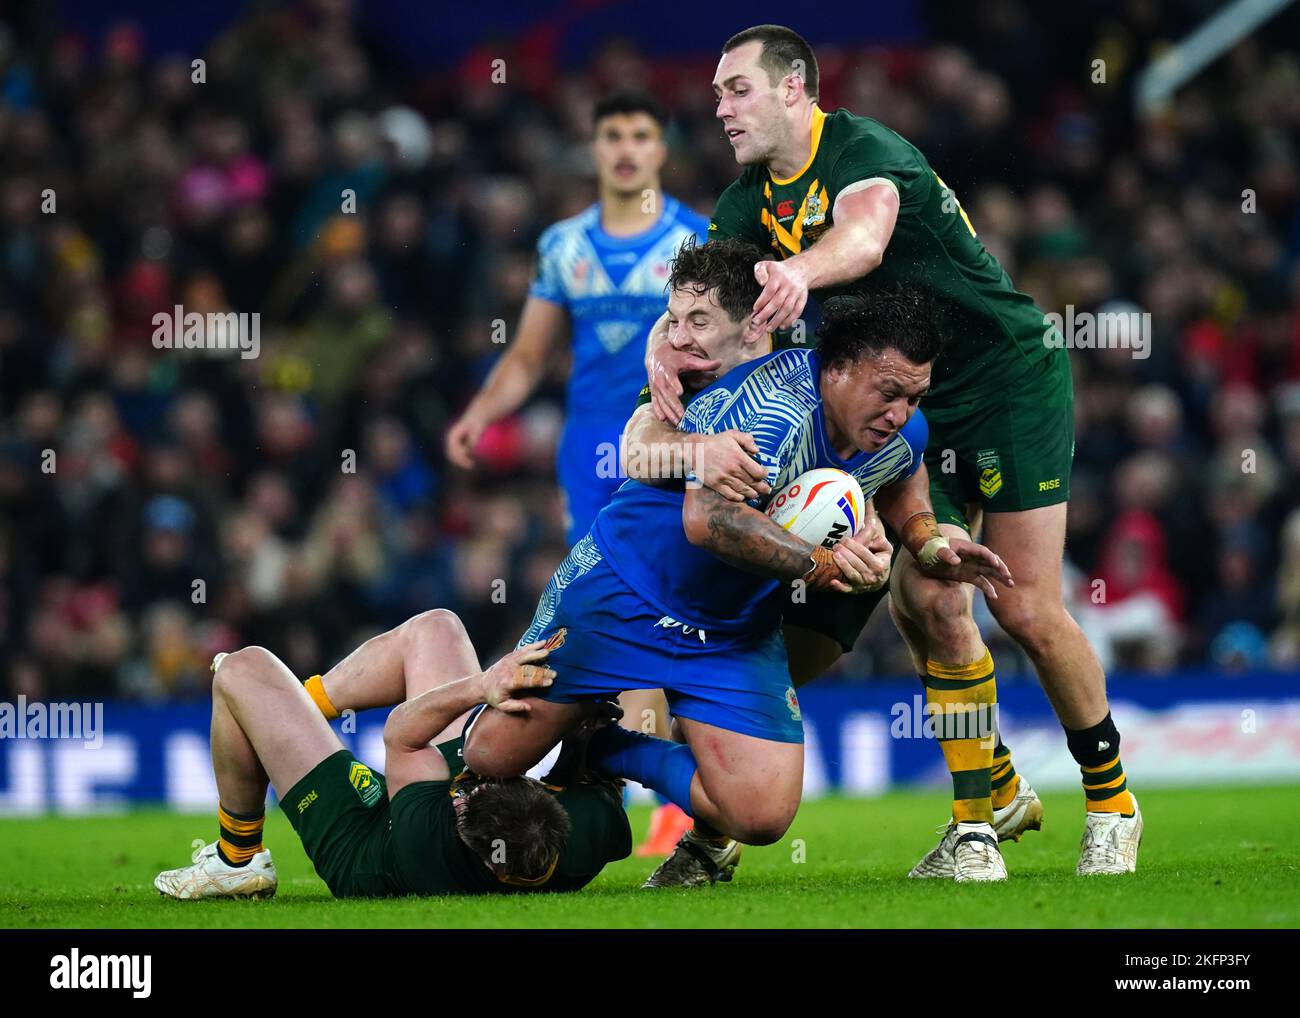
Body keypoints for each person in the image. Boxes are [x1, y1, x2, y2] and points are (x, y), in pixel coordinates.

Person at [645, 25, 1140, 876]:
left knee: (1021, 605)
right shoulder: (743, 202)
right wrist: (663, 340)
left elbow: (866, 236)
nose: (720, 108)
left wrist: (800, 272)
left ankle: (1112, 802)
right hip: (892, 405)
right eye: (718, 93)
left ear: (795, 87)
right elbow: (698, 299)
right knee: (931, 595)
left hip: (1001, 377)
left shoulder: (865, 151)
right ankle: (985, 814)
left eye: (738, 90)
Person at [463, 238, 1011, 884]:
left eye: (914, 398)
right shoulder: (766, 411)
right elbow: (708, 520)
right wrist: (824, 565)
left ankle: (603, 747)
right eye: (889, 393)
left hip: (730, 629)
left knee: (762, 815)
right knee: (491, 758)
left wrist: (923, 536)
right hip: (622, 594)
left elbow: (901, 470)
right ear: (834, 369)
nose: (901, 413)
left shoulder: (895, 427)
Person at [443, 88, 709, 854]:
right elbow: (529, 356)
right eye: (612, 135)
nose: (626, 149)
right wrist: (481, 413)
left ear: (661, 149)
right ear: (595, 150)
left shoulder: (695, 240)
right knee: (605, 610)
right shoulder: (563, 246)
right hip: (590, 449)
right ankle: (625, 781)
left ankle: (665, 792)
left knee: (665, 605)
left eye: (640, 134)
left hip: (669, 442)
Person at [154, 610, 630, 900]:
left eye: (464, 799)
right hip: (450, 807)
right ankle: (289, 712)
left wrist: (481, 686)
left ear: (488, 862)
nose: (465, 791)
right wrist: (580, 732)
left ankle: (237, 861)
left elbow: (402, 732)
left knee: (241, 669)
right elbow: (601, 780)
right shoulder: (581, 836)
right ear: (543, 798)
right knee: (436, 629)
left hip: (366, 843)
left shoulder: (425, 833)